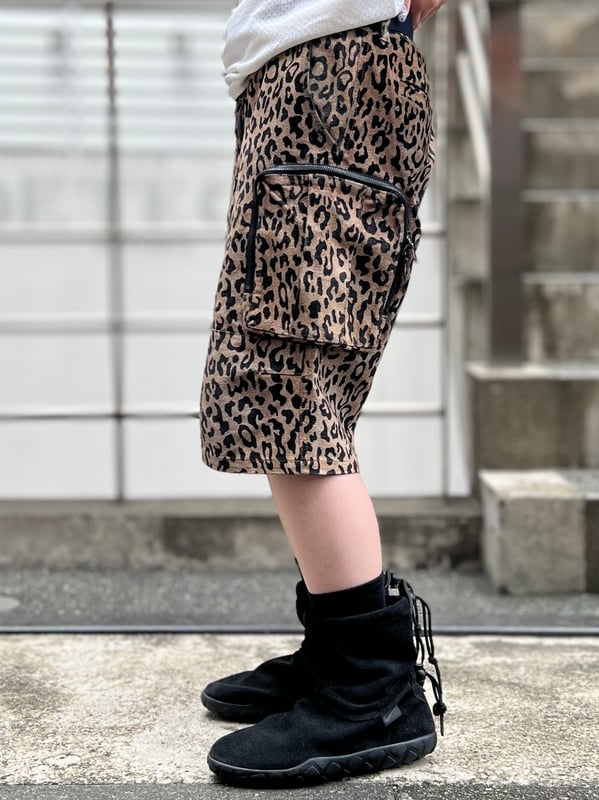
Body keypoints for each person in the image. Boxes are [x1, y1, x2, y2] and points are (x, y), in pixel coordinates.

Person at [198, 0, 447, 787]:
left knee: (290, 393)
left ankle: (370, 689)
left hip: (330, 73)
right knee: (289, 387)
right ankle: (340, 652)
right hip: (308, 75)